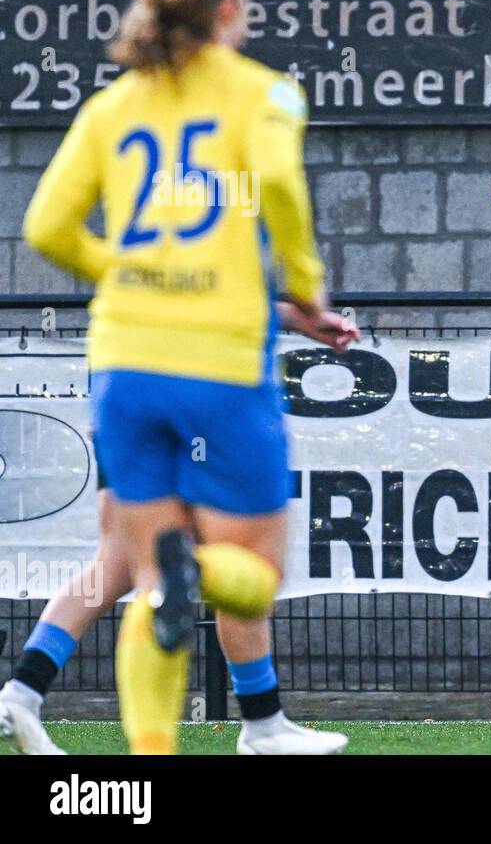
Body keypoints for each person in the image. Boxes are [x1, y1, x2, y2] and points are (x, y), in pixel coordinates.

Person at [10, 0, 349, 755]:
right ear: (229, 8)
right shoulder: (259, 99)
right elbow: (278, 200)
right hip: (217, 367)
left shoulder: (114, 107)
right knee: (231, 571)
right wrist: (306, 290)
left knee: (138, 569)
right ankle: (256, 723)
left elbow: (51, 228)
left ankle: (121, 732)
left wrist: (125, 275)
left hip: (126, 361)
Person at [0, 303, 358, 756]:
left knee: (118, 561)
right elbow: (220, 283)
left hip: (122, 376)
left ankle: (23, 691)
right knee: (222, 554)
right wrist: (296, 314)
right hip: (192, 374)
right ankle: (261, 720)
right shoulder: (225, 237)